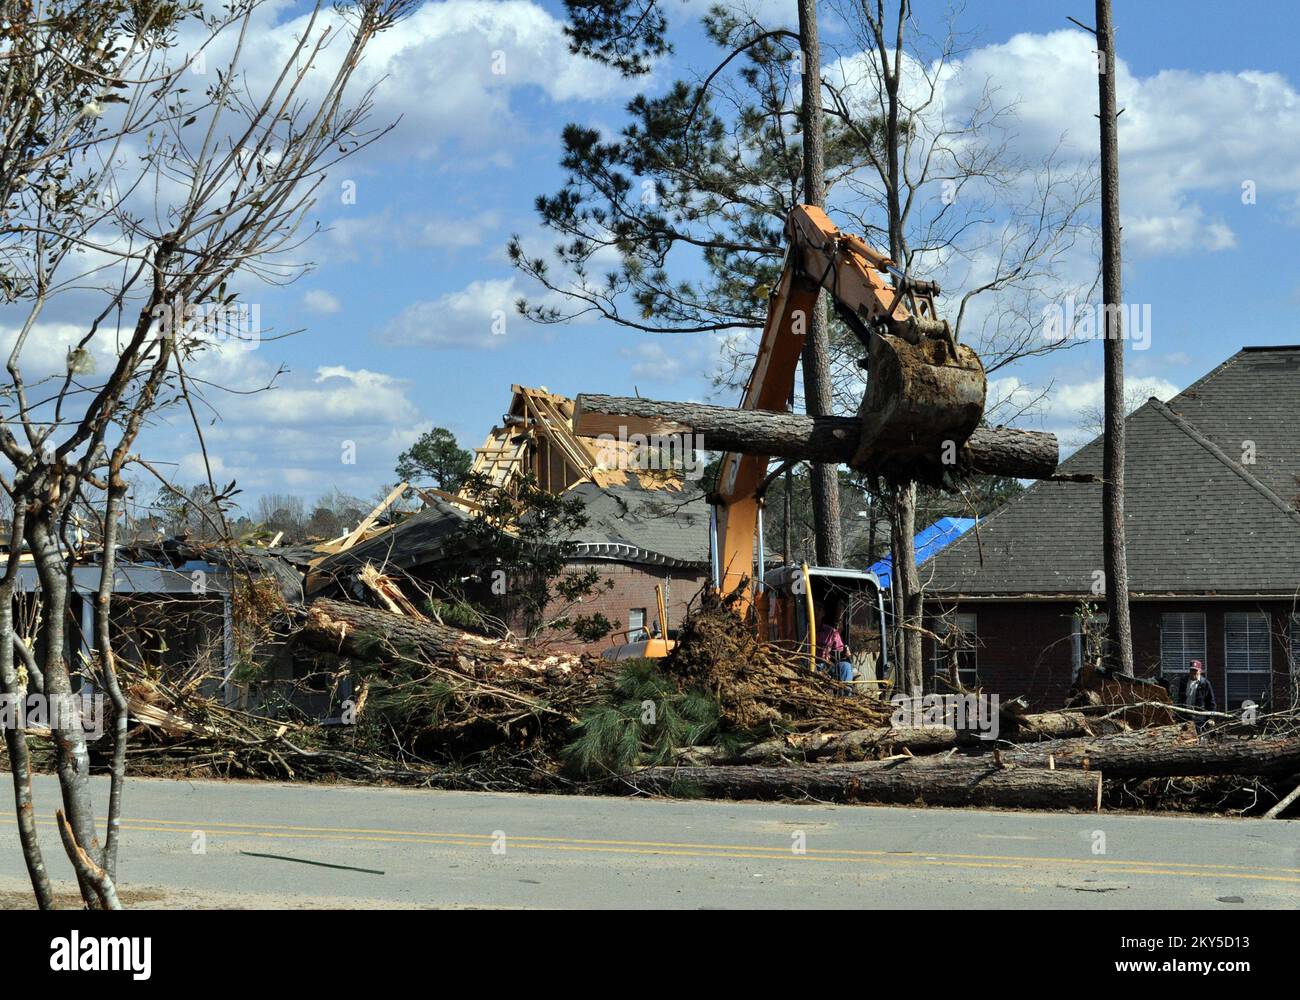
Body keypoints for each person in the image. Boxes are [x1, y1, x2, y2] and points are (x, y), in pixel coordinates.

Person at [815, 596, 855, 686]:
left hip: (826, 666)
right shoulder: (802, 629)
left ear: (823, 613)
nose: (815, 613)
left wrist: (845, 653)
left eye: (818, 610)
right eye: (814, 609)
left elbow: (839, 650)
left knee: (845, 666)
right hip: (807, 664)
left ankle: (845, 697)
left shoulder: (831, 632)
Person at [1179, 659, 1216, 729]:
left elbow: (1211, 702)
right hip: (1185, 716)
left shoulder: (1205, 683)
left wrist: (1211, 718)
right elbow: (1180, 698)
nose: (1193, 673)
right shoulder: (1184, 681)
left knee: (1198, 736)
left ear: (1200, 671)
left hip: (1199, 717)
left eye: (1195, 671)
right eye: (1192, 670)